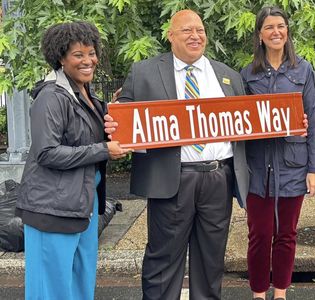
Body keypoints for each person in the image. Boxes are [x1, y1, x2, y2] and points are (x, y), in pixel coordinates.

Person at [104, 9, 249, 300]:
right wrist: (113, 125)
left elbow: (249, 122)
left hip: (218, 178)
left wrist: (292, 122)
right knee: (163, 261)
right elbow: (124, 121)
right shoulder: (144, 72)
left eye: (200, 30)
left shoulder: (229, 76)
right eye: (187, 30)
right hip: (172, 180)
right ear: (171, 36)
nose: (195, 36)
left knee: (211, 261)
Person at [15, 21, 131, 300]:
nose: (88, 60)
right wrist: (104, 149)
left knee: (80, 284)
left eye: (91, 53)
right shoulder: (50, 97)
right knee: (51, 290)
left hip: (83, 202)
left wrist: (116, 115)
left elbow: (86, 136)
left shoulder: (85, 94)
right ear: (60, 58)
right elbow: (47, 153)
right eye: (78, 55)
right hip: (52, 208)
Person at [240, 6, 315, 300]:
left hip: (293, 164)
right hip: (257, 166)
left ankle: (281, 292)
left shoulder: (303, 70)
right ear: (260, 36)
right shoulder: (247, 74)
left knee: (286, 234)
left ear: (287, 31)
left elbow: (314, 119)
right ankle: (259, 292)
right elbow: (237, 122)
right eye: (269, 28)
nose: (276, 32)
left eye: (281, 26)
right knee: (259, 235)